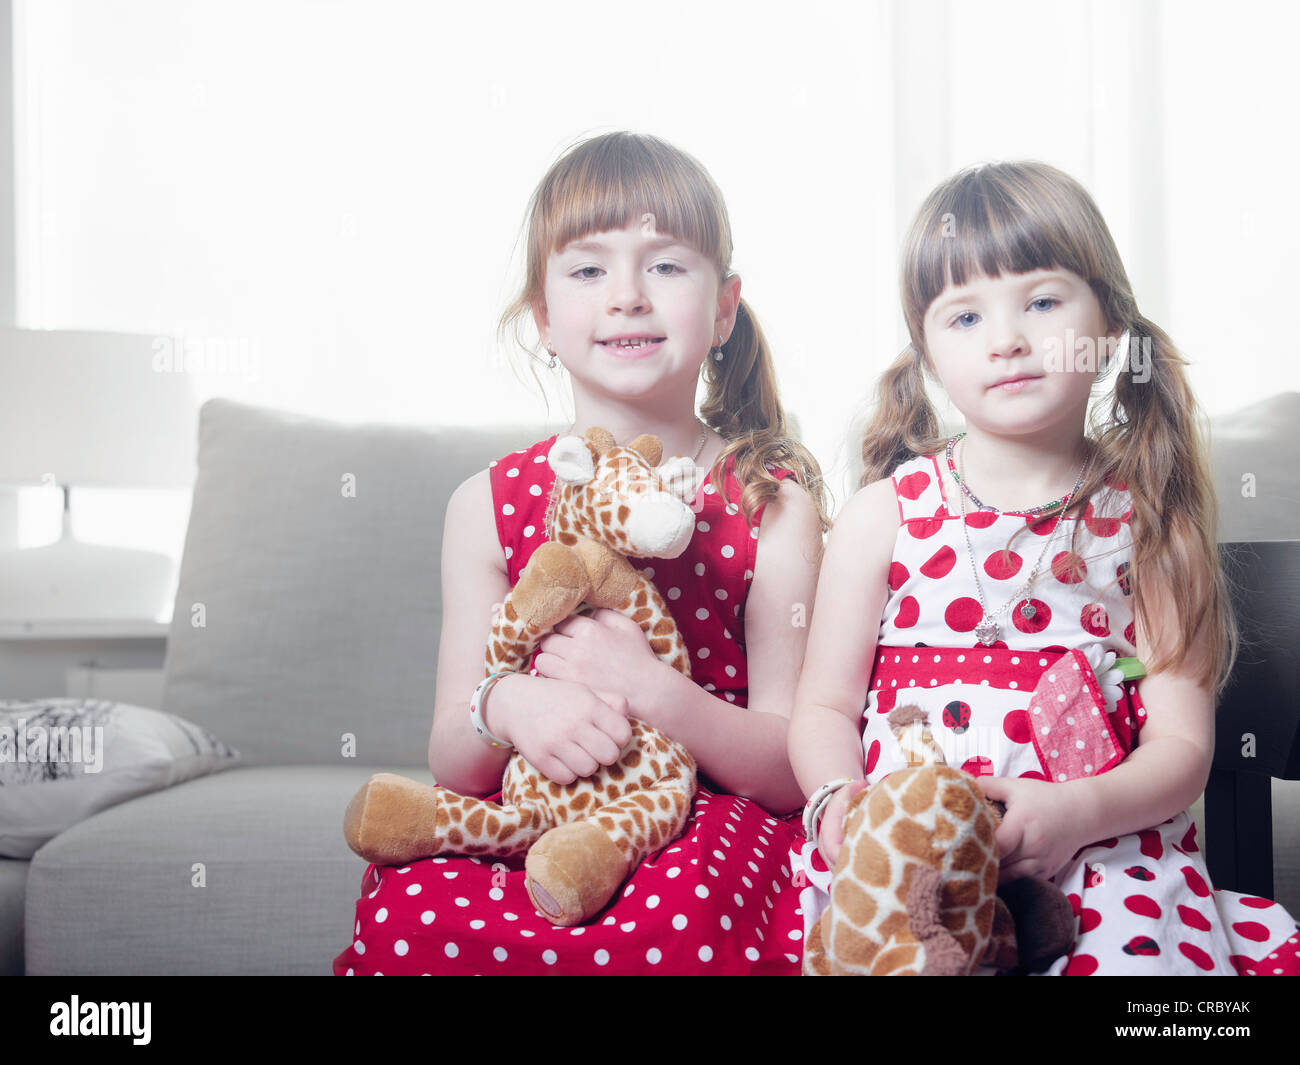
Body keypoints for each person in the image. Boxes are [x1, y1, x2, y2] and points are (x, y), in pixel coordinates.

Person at [787, 160, 1300, 975]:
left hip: (1099, 851)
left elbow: (1181, 746)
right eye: (965, 316)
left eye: (1043, 301)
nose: (1006, 339)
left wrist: (1075, 811)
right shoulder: (882, 516)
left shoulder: (1148, 523)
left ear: (1109, 322)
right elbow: (822, 704)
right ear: (926, 351)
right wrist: (836, 803)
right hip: (906, 854)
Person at [334, 131, 829, 975]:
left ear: (723, 308)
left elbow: (792, 767)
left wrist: (651, 689)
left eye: (665, 266)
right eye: (589, 269)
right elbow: (452, 756)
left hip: (698, 821)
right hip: (535, 813)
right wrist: (509, 705)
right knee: (407, 908)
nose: (627, 296)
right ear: (543, 317)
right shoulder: (485, 506)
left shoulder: (769, 502)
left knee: (685, 921)